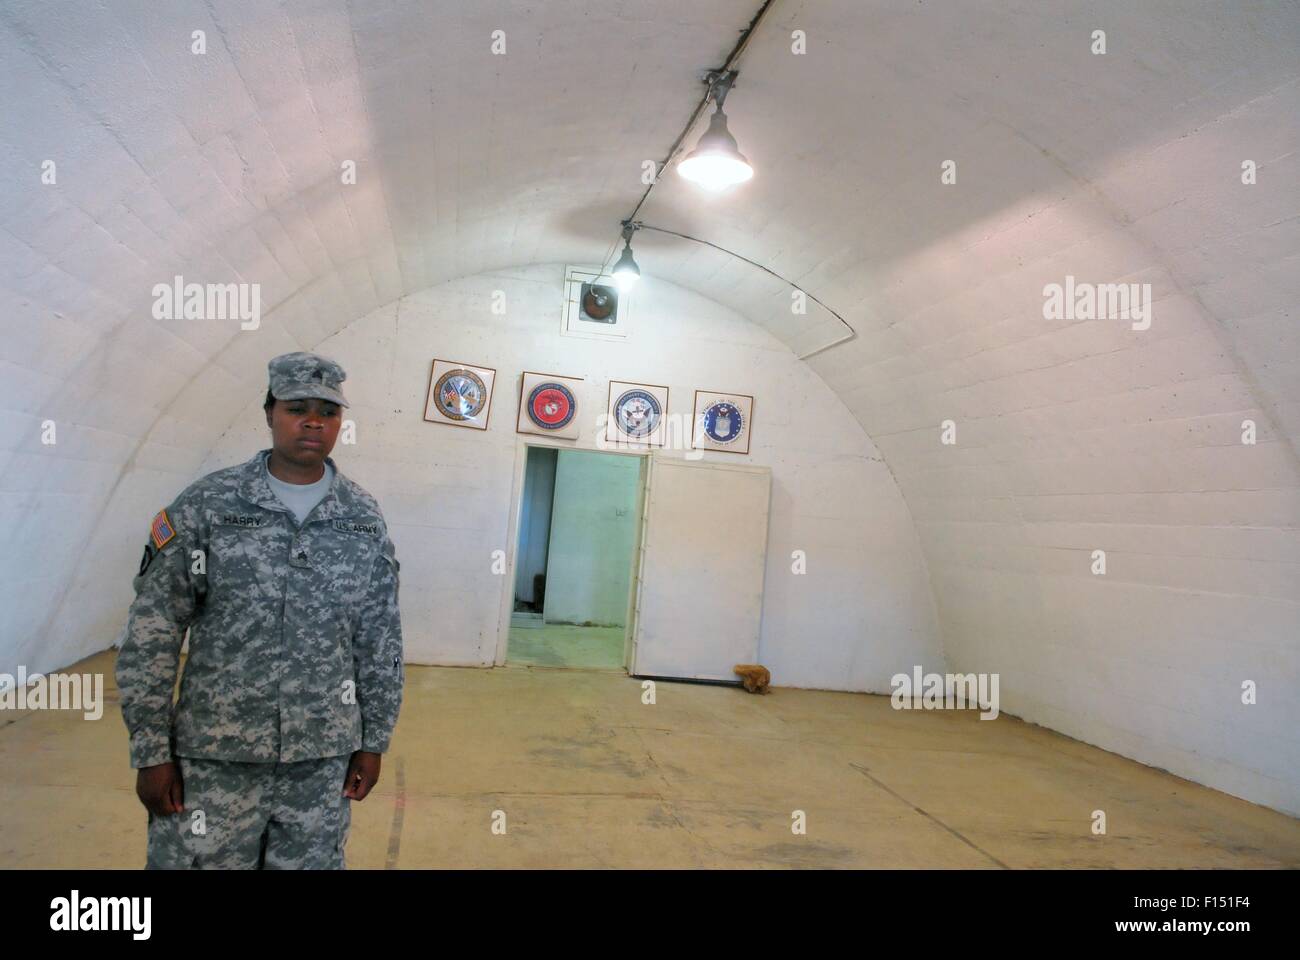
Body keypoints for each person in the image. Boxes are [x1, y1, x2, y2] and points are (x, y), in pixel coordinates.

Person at [115, 351, 404, 869]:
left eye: (328, 411)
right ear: (269, 412)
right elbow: (153, 633)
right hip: (215, 758)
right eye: (297, 407)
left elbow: (379, 638)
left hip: (320, 763)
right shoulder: (208, 506)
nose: (314, 421)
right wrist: (151, 751)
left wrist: (373, 740)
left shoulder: (361, 518)